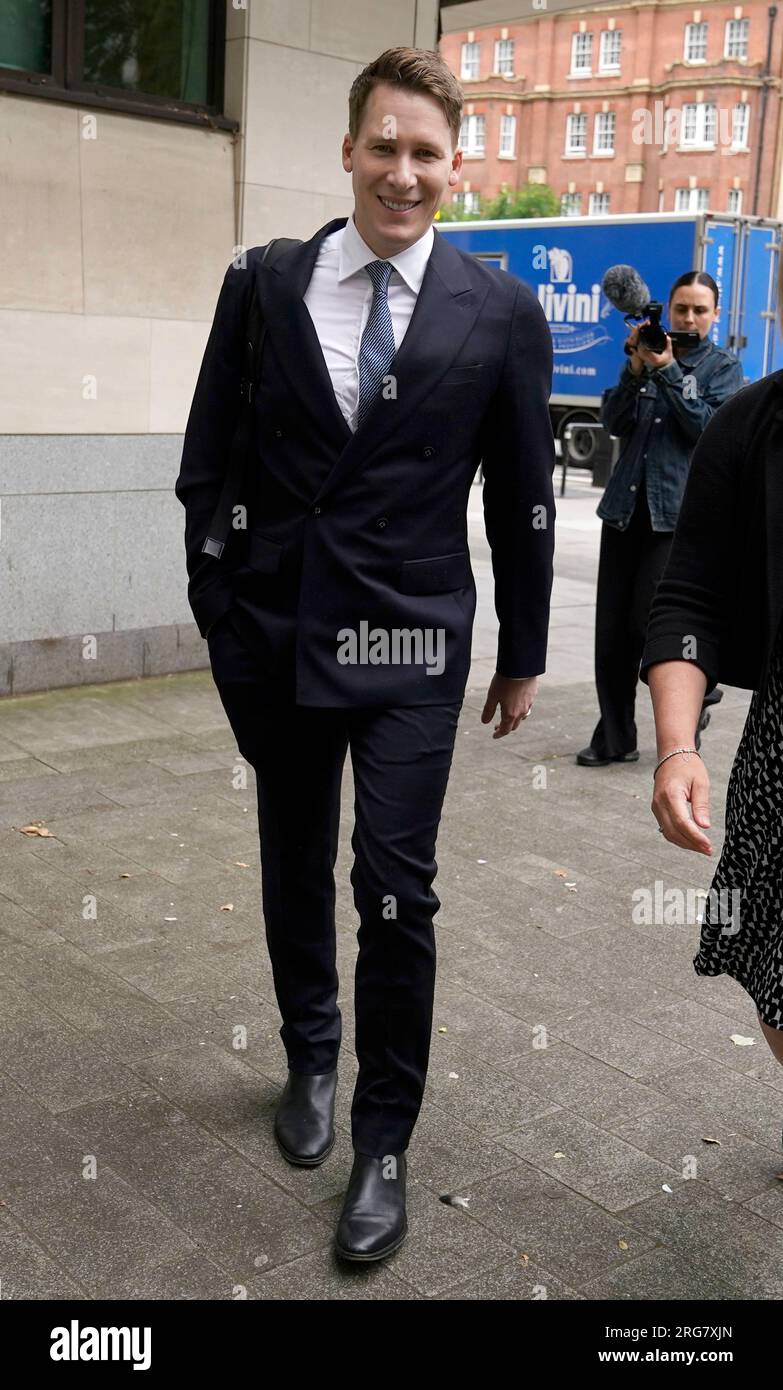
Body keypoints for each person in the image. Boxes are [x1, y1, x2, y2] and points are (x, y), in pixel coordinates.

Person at [174, 47, 555, 1262]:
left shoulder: (498, 310)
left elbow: (523, 498)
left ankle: (383, 1142)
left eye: (426, 154)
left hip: (410, 639)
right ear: (347, 151)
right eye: (383, 147)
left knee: (396, 884)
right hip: (278, 639)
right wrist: (224, 623)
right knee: (292, 852)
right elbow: (206, 465)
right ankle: (310, 1054)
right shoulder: (267, 284)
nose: (403, 172)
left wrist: (525, 652)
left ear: (458, 168)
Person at [640, 256, 783, 1095]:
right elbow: (687, 595)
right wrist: (674, 747)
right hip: (780, 749)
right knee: (775, 977)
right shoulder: (749, 421)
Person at [576, 271, 744, 768]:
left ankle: (695, 704)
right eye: (681, 309)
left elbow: (709, 430)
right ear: (667, 311)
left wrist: (669, 371)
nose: (689, 318)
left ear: (715, 315)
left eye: (699, 310)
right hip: (625, 513)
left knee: (653, 627)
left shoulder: (723, 368)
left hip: (678, 520)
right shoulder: (646, 355)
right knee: (611, 636)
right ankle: (615, 736)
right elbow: (613, 423)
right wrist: (634, 367)